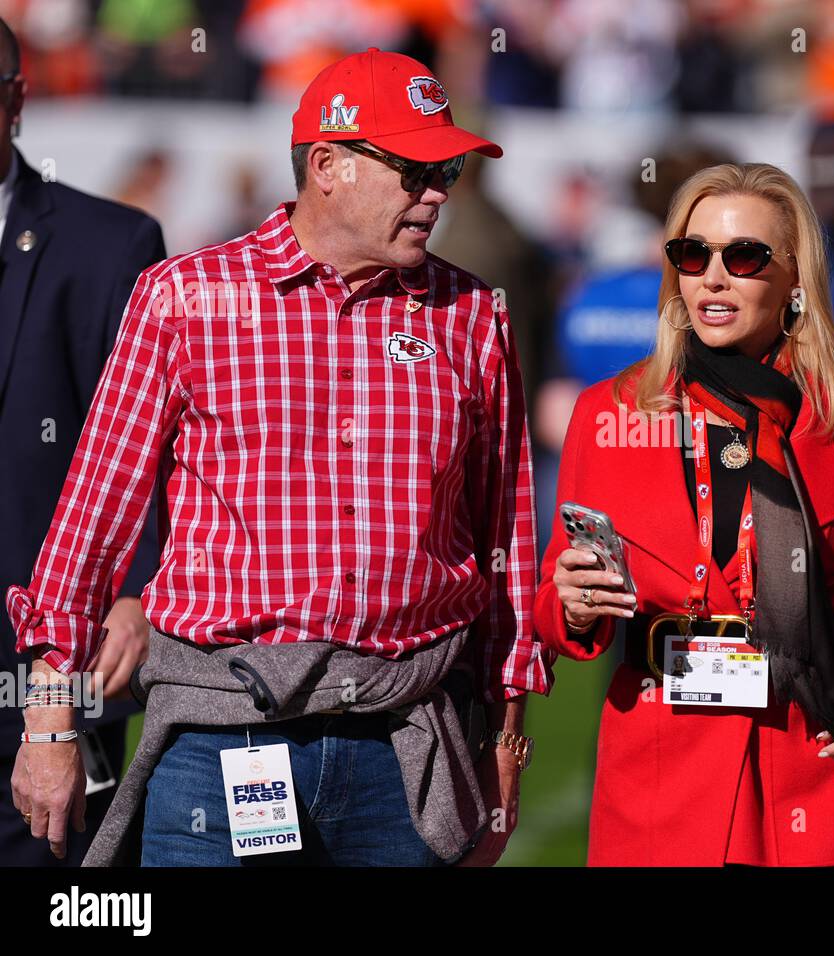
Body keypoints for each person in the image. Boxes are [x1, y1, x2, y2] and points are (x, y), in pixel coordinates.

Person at [6, 48, 550, 867]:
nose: (437, 193)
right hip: (221, 740)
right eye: (415, 169)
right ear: (327, 165)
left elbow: (503, 549)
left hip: (403, 743)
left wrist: (505, 744)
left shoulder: (473, 318)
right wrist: (50, 725)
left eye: (449, 171)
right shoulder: (185, 298)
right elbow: (93, 519)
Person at [535, 162, 834, 866]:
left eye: (744, 256)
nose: (713, 277)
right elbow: (558, 612)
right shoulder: (608, 413)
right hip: (660, 771)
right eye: (693, 255)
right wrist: (569, 603)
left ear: (795, 277)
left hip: (810, 759)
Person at [0, 15, 166, 866]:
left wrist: (138, 591)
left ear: (16, 102)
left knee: (83, 904)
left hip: (55, 674)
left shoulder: (112, 247)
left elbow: (152, 450)